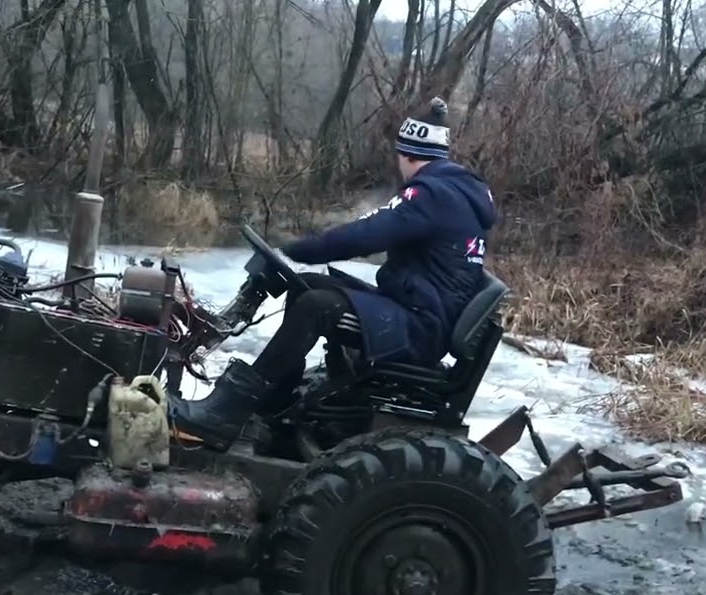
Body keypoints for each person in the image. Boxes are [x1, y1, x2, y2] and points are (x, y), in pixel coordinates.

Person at [170, 97, 498, 447]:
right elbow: (374, 225)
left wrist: (300, 247)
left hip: (421, 325)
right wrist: (309, 248)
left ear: (408, 155)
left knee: (318, 306)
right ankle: (274, 398)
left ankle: (223, 415)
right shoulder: (452, 191)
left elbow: (368, 234)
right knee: (306, 287)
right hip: (421, 311)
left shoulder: (432, 194)